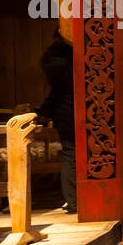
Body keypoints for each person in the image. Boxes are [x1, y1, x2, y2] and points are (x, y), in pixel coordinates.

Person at [37, 31, 76, 213]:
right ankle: (78, 200)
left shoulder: (50, 58)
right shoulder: (70, 55)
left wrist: (45, 110)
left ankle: (73, 201)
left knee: (69, 153)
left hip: (62, 109)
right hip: (76, 106)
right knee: (76, 152)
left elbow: (55, 90)